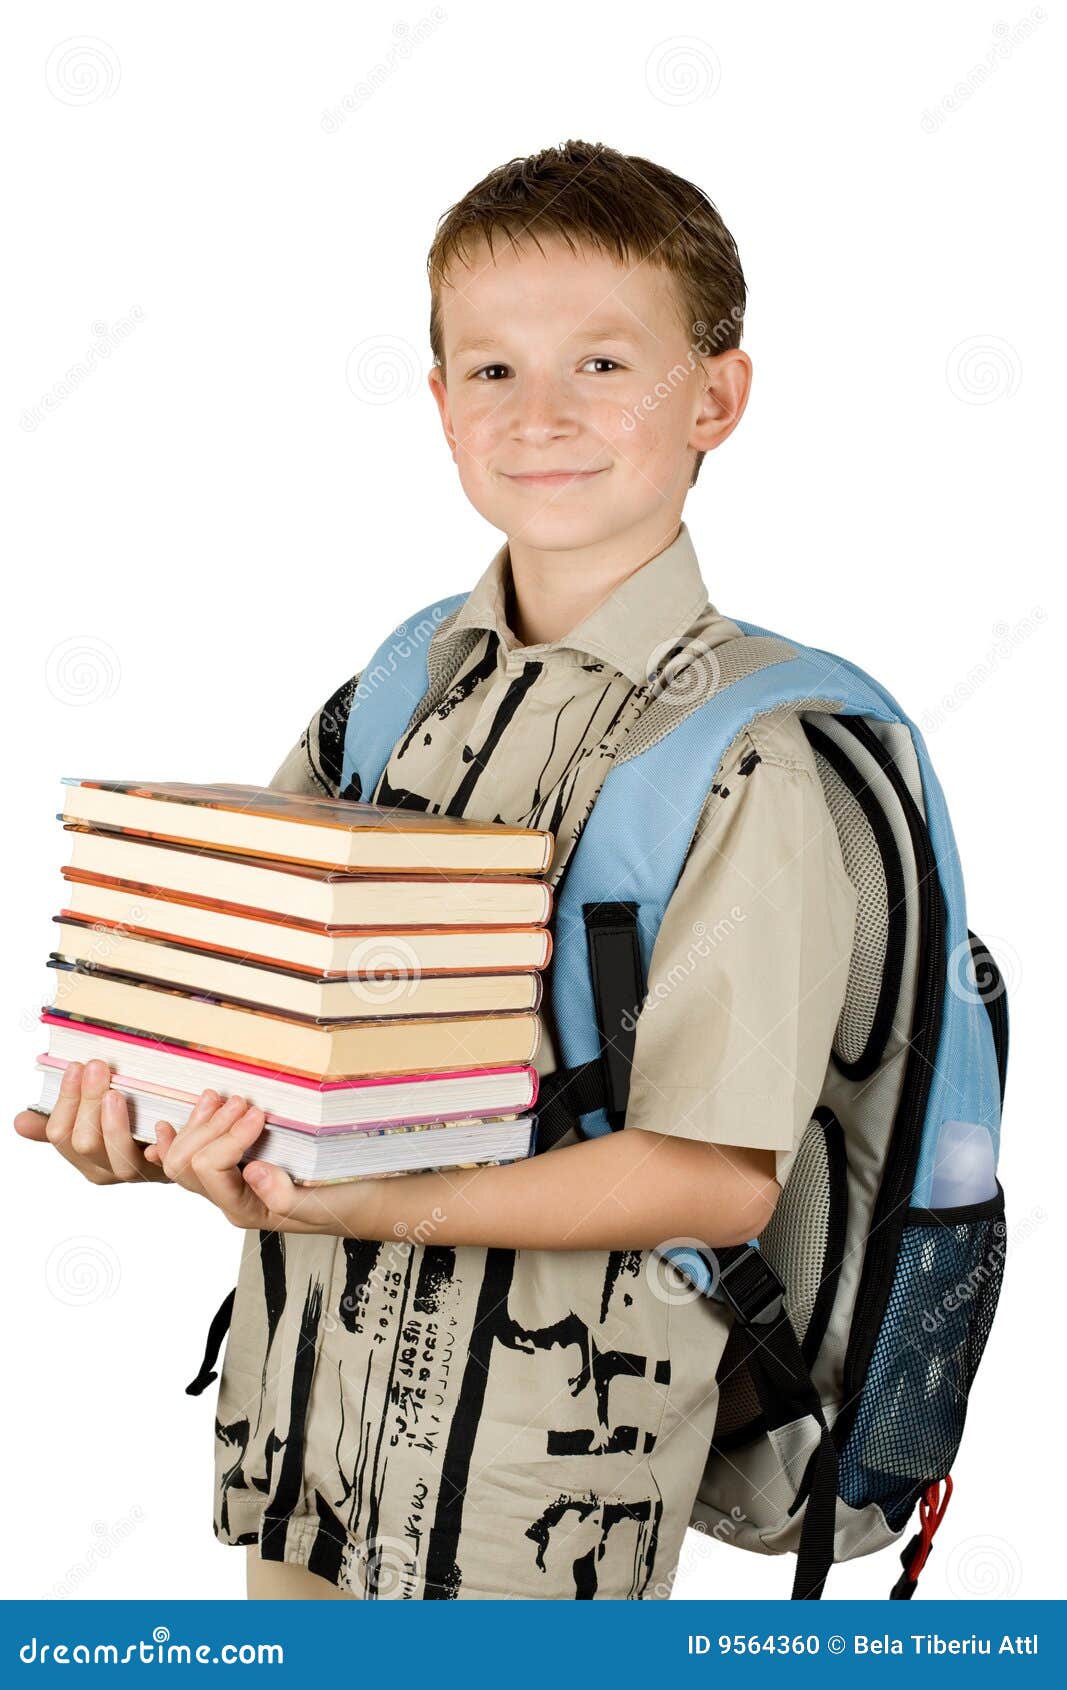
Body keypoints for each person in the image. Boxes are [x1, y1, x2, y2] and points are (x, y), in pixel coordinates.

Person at [15, 141, 857, 1600]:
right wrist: (155, 1127)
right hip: (305, 1451)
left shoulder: (752, 756)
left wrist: (364, 1200)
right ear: (438, 402)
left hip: (534, 1510)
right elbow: (252, 1014)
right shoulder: (399, 685)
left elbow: (716, 1178)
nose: (541, 415)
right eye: (491, 370)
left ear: (715, 394)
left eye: (604, 364)